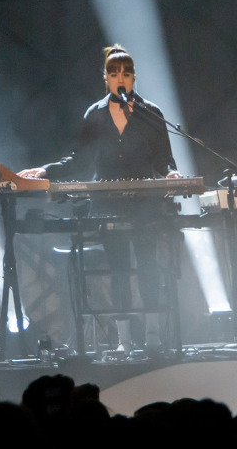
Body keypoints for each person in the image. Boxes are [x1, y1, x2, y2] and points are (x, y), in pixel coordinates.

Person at [19, 45, 182, 354]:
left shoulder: (151, 113)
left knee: (148, 265)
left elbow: (165, 159)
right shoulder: (95, 114)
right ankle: (123, 340)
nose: (121, 79)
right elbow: (79, 160)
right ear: (105, 78)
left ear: (134, 77)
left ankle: (152, 337)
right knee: (119, 267)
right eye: (114, 74)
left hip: (145, 203)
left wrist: (171, 174)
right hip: (108, 201)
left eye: (126, 73)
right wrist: (46, 170)